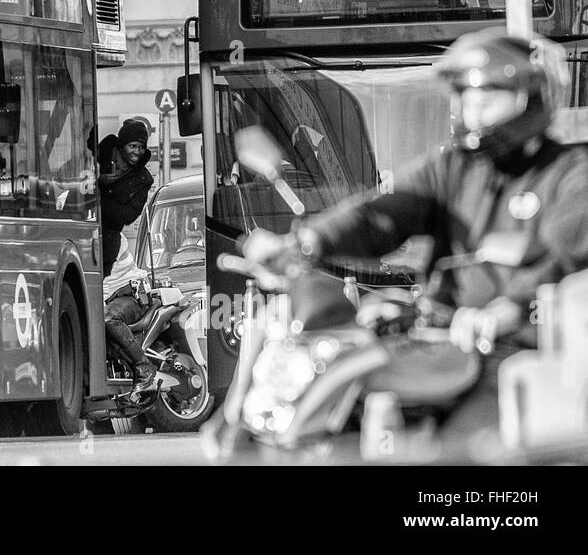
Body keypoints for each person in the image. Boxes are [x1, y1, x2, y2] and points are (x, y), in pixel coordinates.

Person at [242, 28, 588, 453]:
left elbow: (564, 258)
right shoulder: (452, 168)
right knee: (352, 408)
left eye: (488, 98)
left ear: (530, 97)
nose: (473, 111)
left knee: (466, 450)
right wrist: (306, 242)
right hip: (439, 344)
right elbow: (382, 214)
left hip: (517, 351)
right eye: (466, 98)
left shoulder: (572, 173)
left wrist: (508, 309)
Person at [97, 118, 154, 277]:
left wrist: (99, 198)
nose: (137, 152)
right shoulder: (101, 153)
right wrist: (98, 181)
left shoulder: (143, 178)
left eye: (141, 147)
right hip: (83, 227)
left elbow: (128, 215)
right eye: (132, 146)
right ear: (122, 146)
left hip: (108, 241)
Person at [103, 238, 159, 396]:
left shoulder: (111, 237)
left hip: (130, 294)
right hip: (112, 298)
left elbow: (102, 281)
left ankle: (144, 366)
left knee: (107, 318)